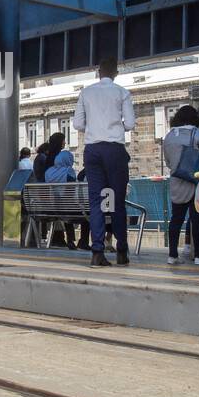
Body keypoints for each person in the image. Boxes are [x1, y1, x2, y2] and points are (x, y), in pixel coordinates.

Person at [73, 57, 136, 267]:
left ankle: (97, 251)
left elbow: (77, 123)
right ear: (116, 73)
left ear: (98, 72)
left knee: (97, 202)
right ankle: (121, 250)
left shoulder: (86, 92)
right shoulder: (122, 92)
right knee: (117, 201)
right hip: (114, 150)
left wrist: (95, 127)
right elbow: (131, 124)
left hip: (92, 150)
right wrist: (113, 125)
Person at [162, 105, 199, 266]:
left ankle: (172, 255)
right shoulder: (197, 133)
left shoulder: (169, 136)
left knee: (176, 219)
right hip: (195, 181)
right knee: (197, 220)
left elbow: (167, 161)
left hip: (176, 180)